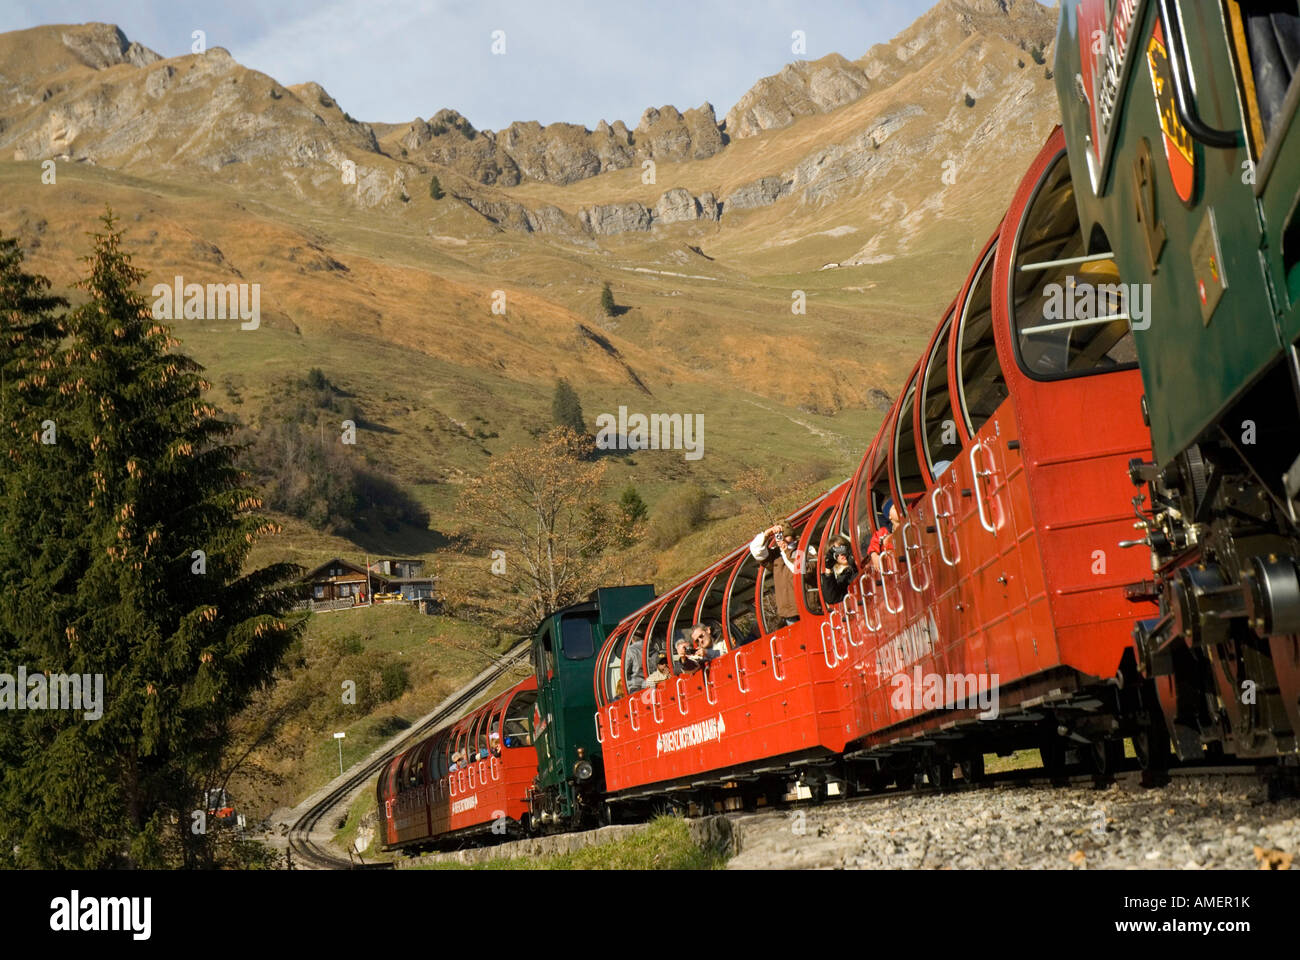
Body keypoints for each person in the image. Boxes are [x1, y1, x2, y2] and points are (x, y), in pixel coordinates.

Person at [749, 520, 801, 626]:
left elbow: (800, 570)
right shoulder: (775, 555)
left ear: (794, 537)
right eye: (781, 536)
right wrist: (767, 534)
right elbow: (756, 550)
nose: (783, 540)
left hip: (808, 605)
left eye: (786, 536)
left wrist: (786, 551)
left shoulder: (802, 549)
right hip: (789, 612)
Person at [821, 535, 858, 604]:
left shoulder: (860, 561)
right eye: (836, 553)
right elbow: (831, 598)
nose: (841, 555)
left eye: (841, 549)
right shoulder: (842, 579)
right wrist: (828, 570)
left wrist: (852, 558)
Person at [869, 498, 902, 575]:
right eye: (894, 508)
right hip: (894, 568)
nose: (898, 509)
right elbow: (874, 543)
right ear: (889, 516)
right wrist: (874, 555)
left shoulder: (909, 523)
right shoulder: (884, 532)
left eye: (900, 506)